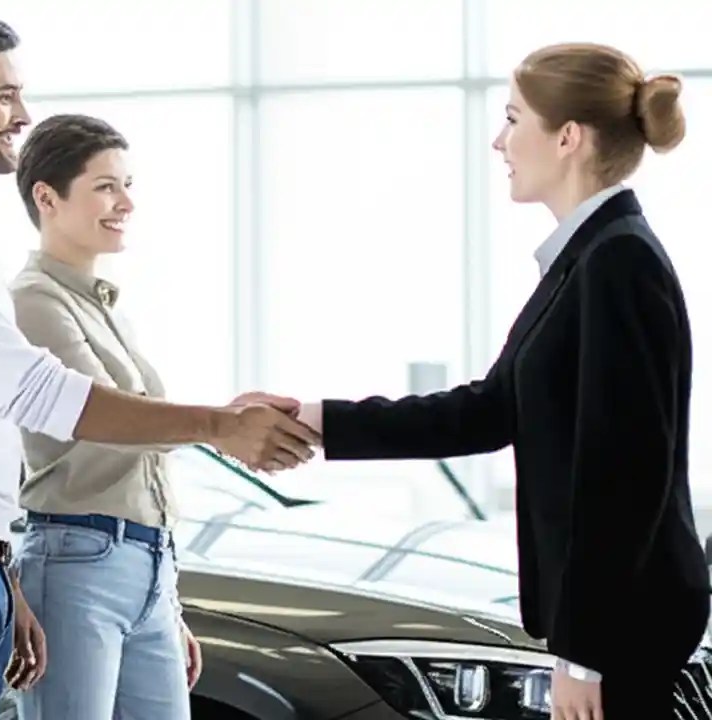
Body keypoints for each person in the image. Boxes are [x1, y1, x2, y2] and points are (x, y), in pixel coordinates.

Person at [0, 8, 321, 720]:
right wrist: (218, 424)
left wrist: (1, 570)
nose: (22, 115)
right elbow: (33, 394)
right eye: (3, 96)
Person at [292, 42, 709, 719]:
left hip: (626, 626)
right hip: (618, 621)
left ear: (568, 137)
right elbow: (486, 412)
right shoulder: (588, 257)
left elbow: (624, 476)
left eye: (514, 119)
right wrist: (315, 417)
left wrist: (584, 653)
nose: (498, 140)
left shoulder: (617, 262)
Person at [6, 114, 197, 718]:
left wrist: (163, 599)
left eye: (128, 184)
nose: (127, 203)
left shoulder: (106, 306)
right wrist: (221, 424)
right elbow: (102, 416)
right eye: (106, 186)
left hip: (147, 563)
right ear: (47, 197)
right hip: (76, 564)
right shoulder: (34, 301)